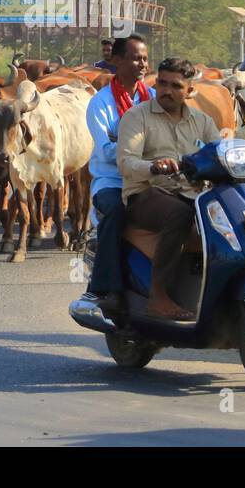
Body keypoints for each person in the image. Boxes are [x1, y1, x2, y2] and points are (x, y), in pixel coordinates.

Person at [117, 57, 220, 320]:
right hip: (147, 193)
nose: (166, 91)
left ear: (190, 91)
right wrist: (153, 166)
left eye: (175, 86)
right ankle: (158, 297)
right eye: (162, 83)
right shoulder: (136, 116)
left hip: (194, 194)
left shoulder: (203, 121)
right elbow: (126, 162)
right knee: (179, 215)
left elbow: (219, 153)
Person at [79, 34, 153, 314]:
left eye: (145, 58)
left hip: (151, 178)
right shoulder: (101, 104)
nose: (142, 64)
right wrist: (143, 154)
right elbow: (108, 150)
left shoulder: (154, 99)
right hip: (113, 181)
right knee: (117, 212)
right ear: (117, 61)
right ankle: (104, 289)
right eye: (135, 58)